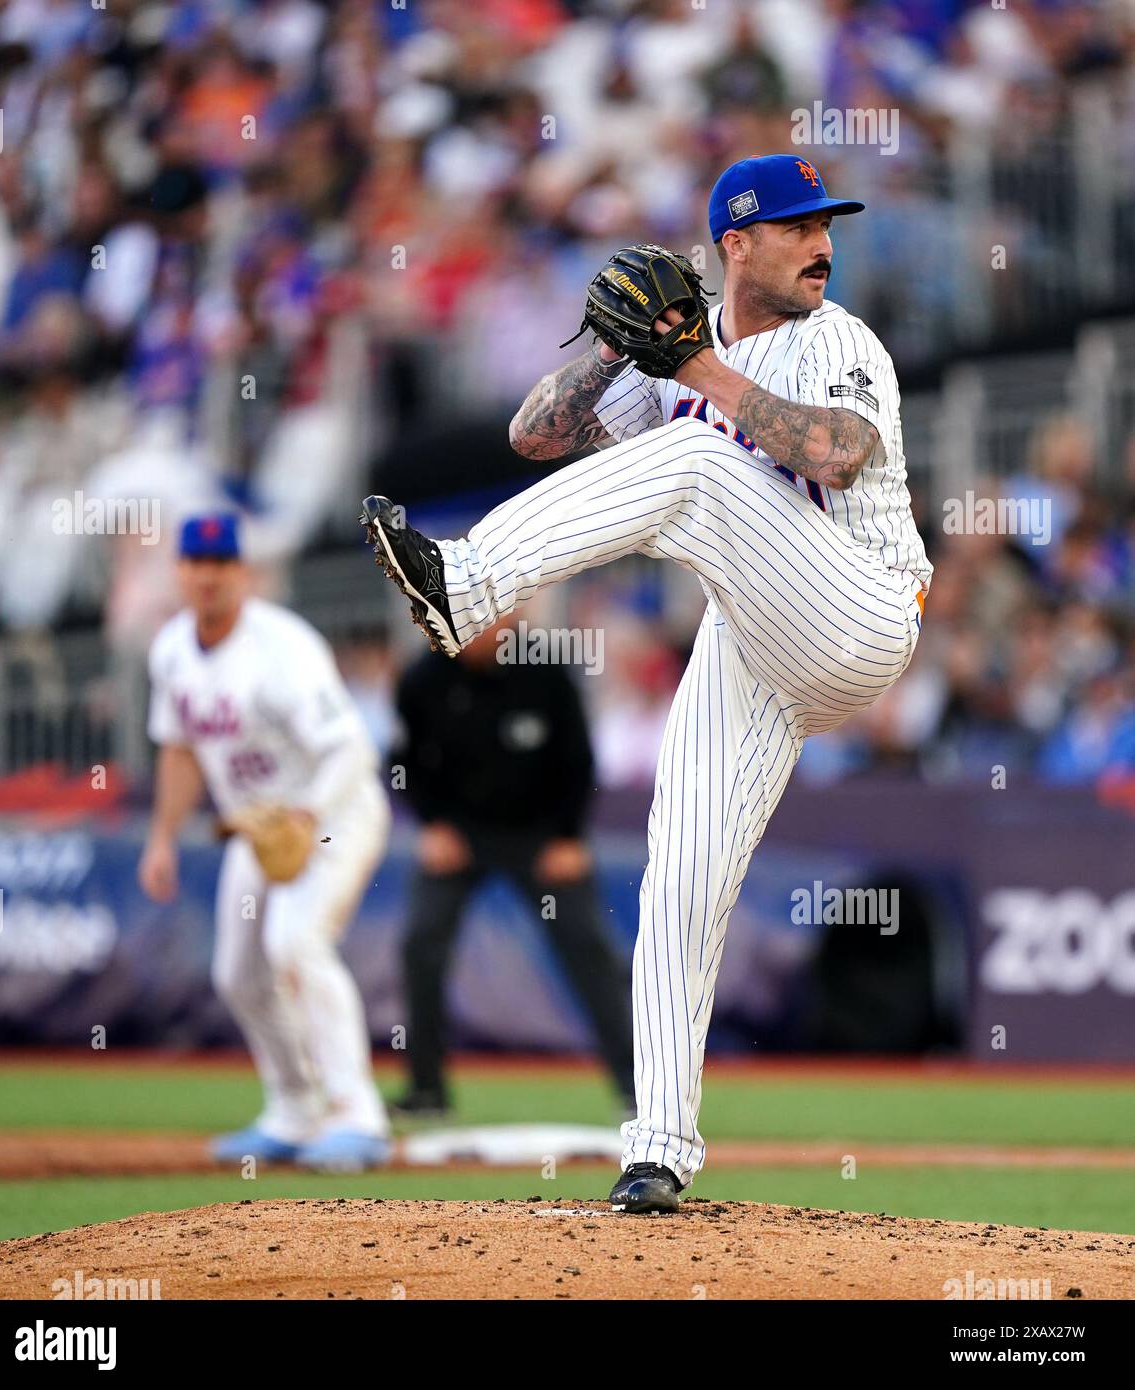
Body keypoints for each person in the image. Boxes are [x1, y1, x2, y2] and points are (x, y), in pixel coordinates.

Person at [361, 154, 931, 1212]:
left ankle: (470, 582)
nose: (824, 243)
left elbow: (837, 455)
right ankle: (659, 1148)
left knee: (700, 465)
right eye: (800, 225)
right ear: (735, 247)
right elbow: (536, 432)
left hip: (860, 609)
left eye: (828, 223)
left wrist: (692, 373)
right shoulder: (687, 346)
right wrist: (613, 344)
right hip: (757, 630)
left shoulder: (838, 338)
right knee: (682, 868)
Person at [139, 513, 391, 1171]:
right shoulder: (170, 650)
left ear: (243, 574)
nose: (209, 575)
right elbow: (179, 750)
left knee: (294, 944)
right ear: (180, 572)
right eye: (196, 562)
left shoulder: (284, 648)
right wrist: (161, 837)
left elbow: (352, 749)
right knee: (238, 973)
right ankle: (294, 1108)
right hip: (260, 829)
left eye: (222, 564)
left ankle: (357, 1116)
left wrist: (307, 815)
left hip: (335, 812)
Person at [391, 615, 635, 1118]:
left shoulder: (545, 672)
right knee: (421, 942)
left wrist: (568, 836)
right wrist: (433, 824)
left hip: (541, 836)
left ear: (509, 618)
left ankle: (642, 1090)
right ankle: (427, 1091)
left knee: (588, 948)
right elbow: (404, 763)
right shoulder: (422, 679)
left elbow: (579, 760)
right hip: (460, 834)